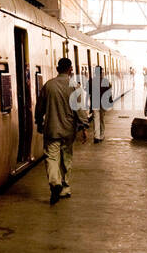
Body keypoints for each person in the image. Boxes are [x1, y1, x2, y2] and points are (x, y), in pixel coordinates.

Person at [35, 57, 89, 204]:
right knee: (66, 158)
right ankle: (64, 187)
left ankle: (55, 183)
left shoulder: (48, 86)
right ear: (70, 69)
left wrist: (38, 122)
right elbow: (80, 110)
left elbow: (39, 108)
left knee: (51, 158)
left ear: (58, 69)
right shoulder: (75, 87)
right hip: (68, 130)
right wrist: (84, 127)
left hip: (51, 129)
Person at [91, 65, 112, 143]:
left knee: (96, 119)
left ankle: (96, 136)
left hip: (95, 102)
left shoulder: (91, 81)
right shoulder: (105, 81)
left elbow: (88, 92)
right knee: (102, 119)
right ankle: (102, 135)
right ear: (101, 72)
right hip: (103, 103)